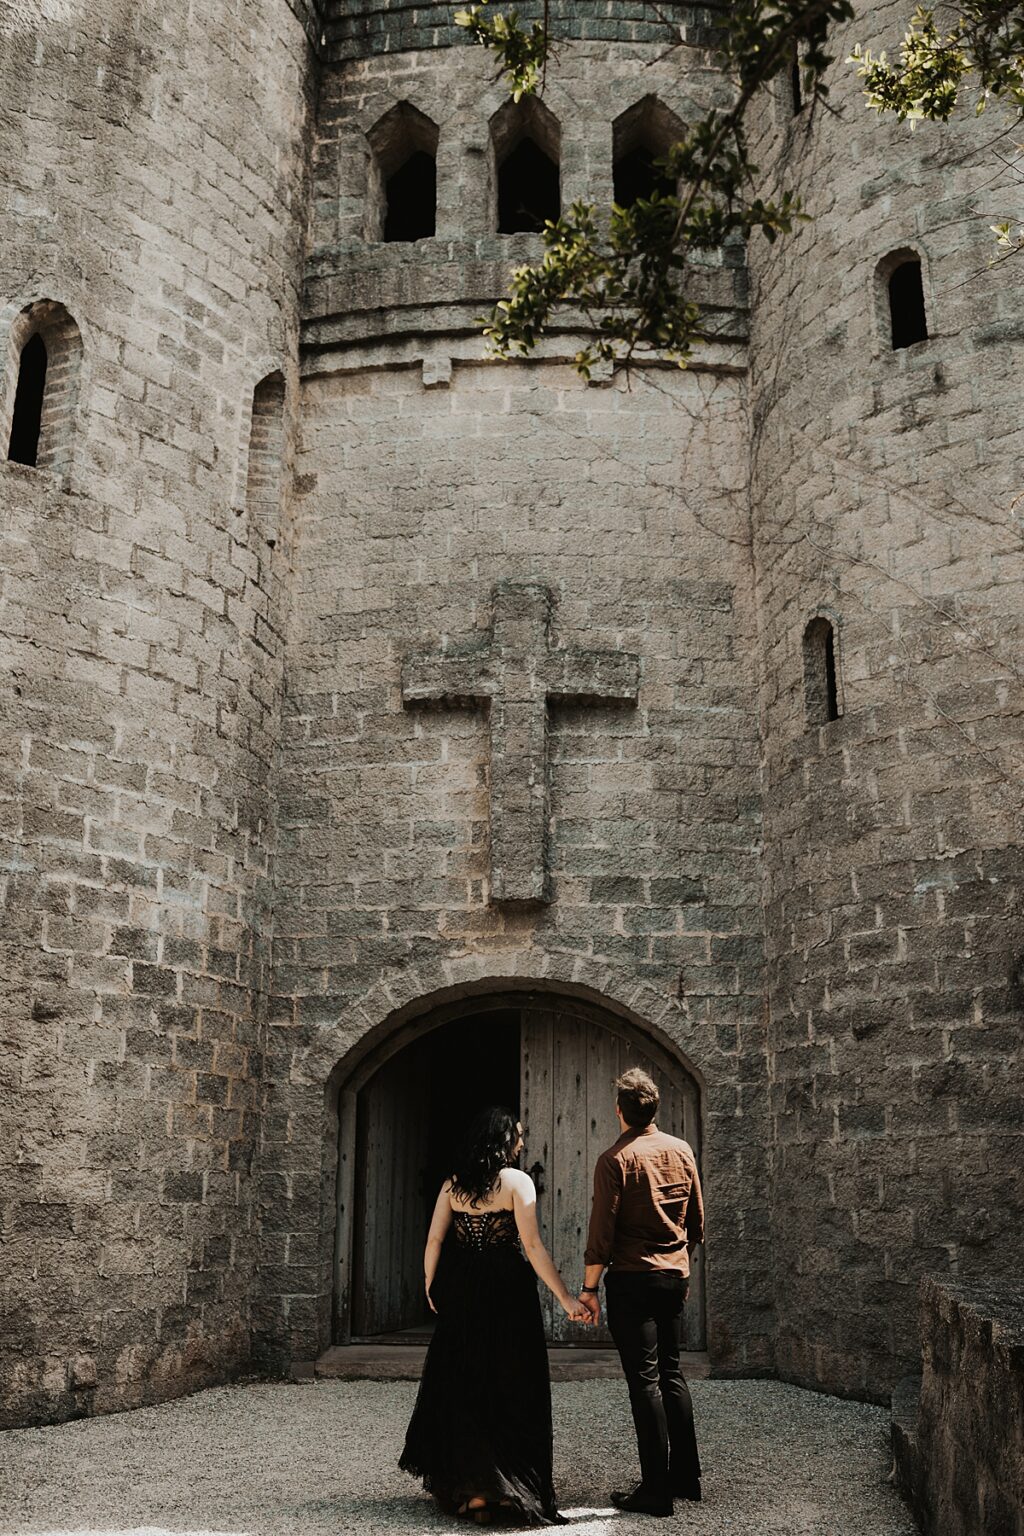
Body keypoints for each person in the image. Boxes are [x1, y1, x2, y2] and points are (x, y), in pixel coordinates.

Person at [400, 1106, 588, 1526]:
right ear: (504, 1141)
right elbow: (533, 1247)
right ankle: (505, 1487)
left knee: (464, 1378)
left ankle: (474, 1489)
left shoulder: (454, 1184)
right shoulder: (517, 1182)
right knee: (511, 1378)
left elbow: (434, 1238)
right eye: (518, 1136)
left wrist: (430, 1285)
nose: (522, 1142)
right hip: (506, 1288)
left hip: (462, 1284)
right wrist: (565, 1298)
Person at [577, 1066, 704, 1518]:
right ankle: (686, 1478)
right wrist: (676, 1262)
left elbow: (601, 1234)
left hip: (632, 1280)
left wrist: (589, 1288)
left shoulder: (615, 1159)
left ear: (619, 1111)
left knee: (645, 1382)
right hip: (674, 1276)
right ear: (655, 1107)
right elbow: (696, 1222)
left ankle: (655, 1491)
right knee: (672, 1372)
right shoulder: (682, 1149)